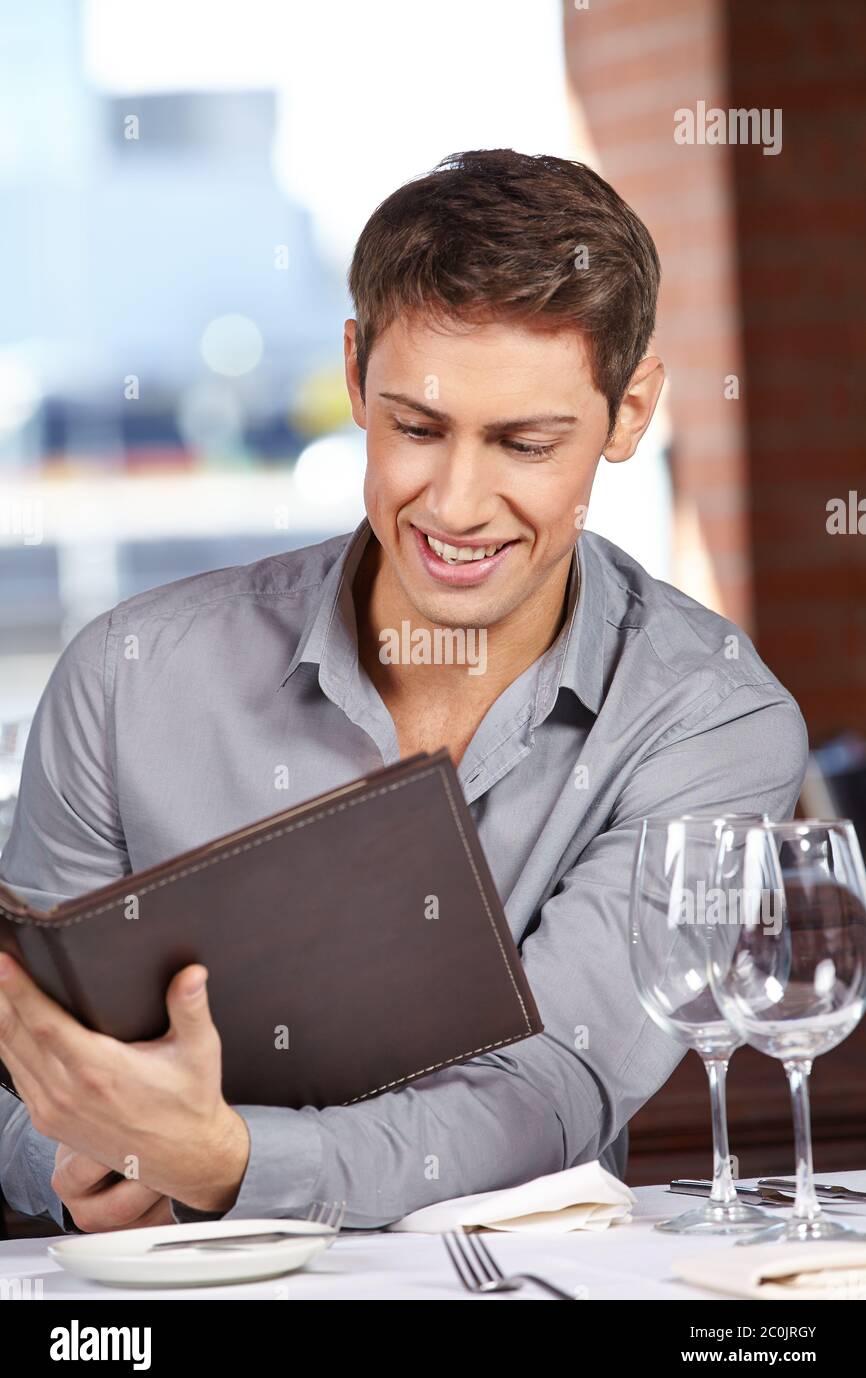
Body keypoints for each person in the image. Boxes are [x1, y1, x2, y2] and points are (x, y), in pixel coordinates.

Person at [0, 150, 807, 1234]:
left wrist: (234, 1162)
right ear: (353, 375)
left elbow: (550, 1087)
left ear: (628, 414)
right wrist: (78, 1154)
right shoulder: (124, 679)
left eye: (525, 443)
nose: (457, 504)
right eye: (416, 429)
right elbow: (21, 1082)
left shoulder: (708, 718)